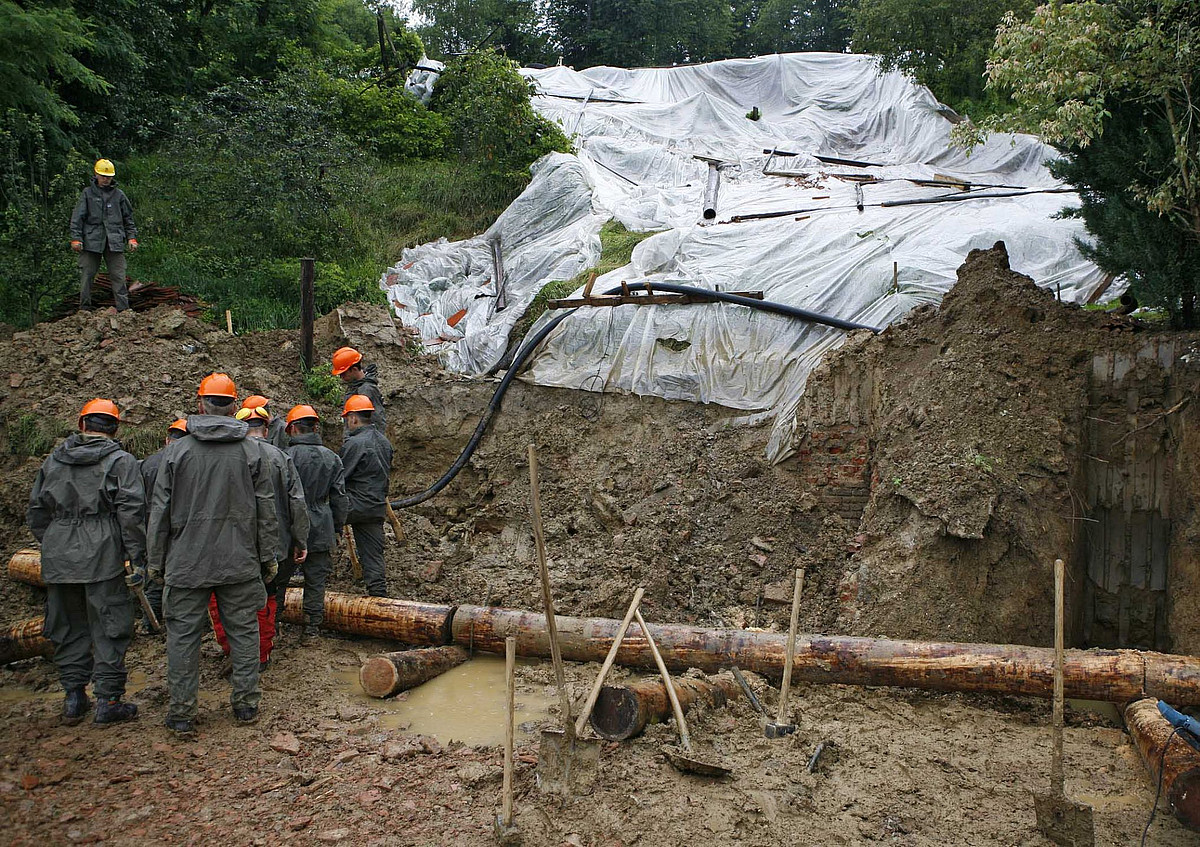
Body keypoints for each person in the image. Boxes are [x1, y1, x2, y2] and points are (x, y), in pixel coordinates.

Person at [148, 373, 279, 736]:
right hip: (239, 561)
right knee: (244, 631)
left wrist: (156, 561)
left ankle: (181, 713)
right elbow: (266, 511)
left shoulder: (176, 452)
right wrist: (268, 556)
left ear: (200, 403)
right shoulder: (252, 452)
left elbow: (159, 512)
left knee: (183, 637)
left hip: (186, 563)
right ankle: (246, 704)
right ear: (235, 405)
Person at [27, 399, 146, 726]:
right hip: (103, 553)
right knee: (110, 625)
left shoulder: (53, 460)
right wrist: (136, 557)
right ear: (115, 428)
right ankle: (108, 700)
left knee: (66, 625)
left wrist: (55, 542)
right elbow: (131, 513)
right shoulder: (121, 462)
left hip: (59, 552)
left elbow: (36, 513)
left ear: (82, 424)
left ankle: (73, 696)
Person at [208, 406, 307, 670]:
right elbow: (296, 501)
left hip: (233, 546)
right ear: (266, 428)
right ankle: (262, 654)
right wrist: (300, 540)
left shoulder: (227, 457)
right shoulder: (280, 458)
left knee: (228, 599)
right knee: (268, 596)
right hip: (275, 543)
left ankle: (232, 648)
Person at [284, 405, 348, 638]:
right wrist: (338, 527)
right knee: (316, 580)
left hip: (289, 527)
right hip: (322, 525)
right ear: (315, 427)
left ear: (291, 429)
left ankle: (276, 625)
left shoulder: (284, 457)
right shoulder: (332, 458)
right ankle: (312, 629)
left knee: (281, 579)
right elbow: (340, 498)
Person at [339, 395, 393, 597]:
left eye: (347, 420)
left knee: (315, 519)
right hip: (376, 507)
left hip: (353, 506)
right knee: (373, 557)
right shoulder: (384, 442)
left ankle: (308, 572)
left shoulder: (354, 444)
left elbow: (339, 478)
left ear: (353, 418)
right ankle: (378, 598)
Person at [69, 159, 138, 312]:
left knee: (119, 276)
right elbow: (77, 218)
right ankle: (84, 310)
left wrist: (131, 237)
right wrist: (76, 238)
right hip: (91, 241)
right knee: (87, 275)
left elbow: (128, 219)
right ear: (96, 174)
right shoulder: (87, 194)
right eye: (103, 176)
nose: (106, 179)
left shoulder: (119, 195)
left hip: (114, 241)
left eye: (108, 176)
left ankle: (124, 311)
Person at [136, 419, 187, 629]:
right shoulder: (186, 462)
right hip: (180, 527)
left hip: (152, 525)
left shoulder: (148, 463)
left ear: (167, 439)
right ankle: (184, 622)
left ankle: (151, 623)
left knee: (154, 574)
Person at [332, 347, 387, 434]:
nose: (341, 377)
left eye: (343, 373)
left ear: (354, 369)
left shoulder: (367, 390)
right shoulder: (354, 387)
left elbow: (378, 421)